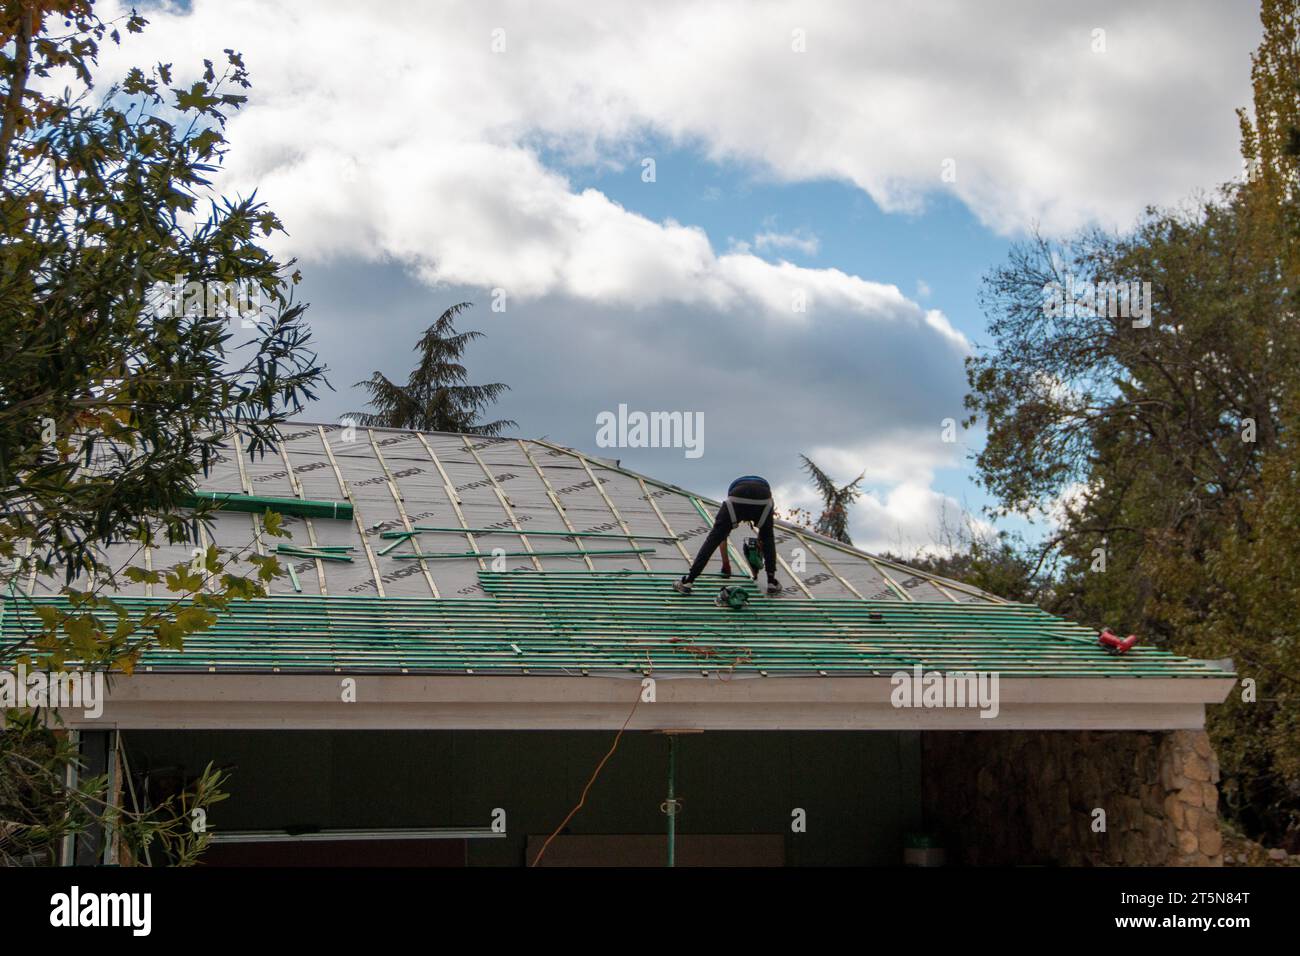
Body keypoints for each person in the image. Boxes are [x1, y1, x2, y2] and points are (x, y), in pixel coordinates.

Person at [674, 475, 781, 595]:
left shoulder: (733, 507)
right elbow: (765, 541)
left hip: (737, 495)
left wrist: (726, 566)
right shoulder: (763, 509)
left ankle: (688, 581)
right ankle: (771, 583)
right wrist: (760, 553)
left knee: (714, 538)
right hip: (764, 497)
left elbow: (722, 538)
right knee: (768, 538)